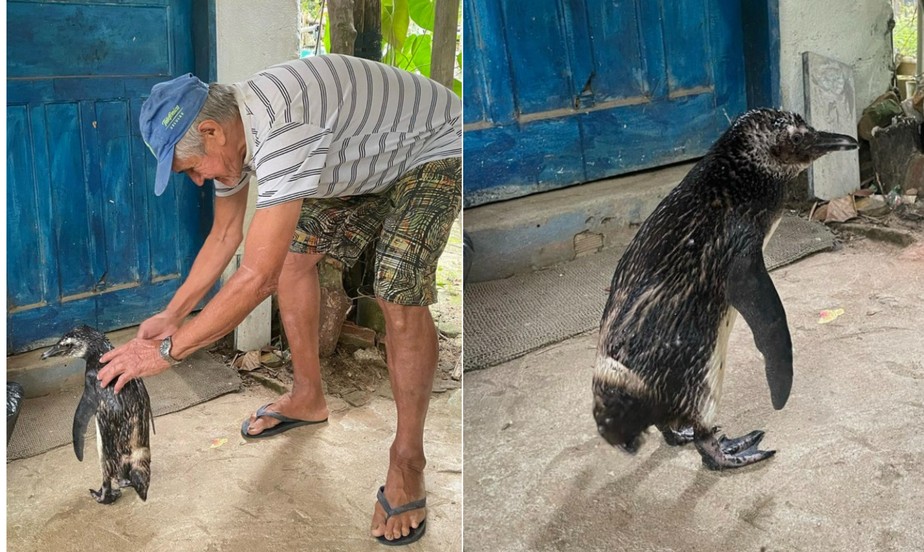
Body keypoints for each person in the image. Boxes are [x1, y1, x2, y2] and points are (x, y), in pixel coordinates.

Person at [97, 54, 461, 546]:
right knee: (293, 257)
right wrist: (171, 314)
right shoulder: (235, 137)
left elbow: (255, 275)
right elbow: (226, 235)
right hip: (365, 162)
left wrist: (168, 351)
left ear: (210, 132)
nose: (198, 180)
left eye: (191, 169)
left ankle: (408, 459)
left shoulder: (282, 125)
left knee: (397, 287)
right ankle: (308, 396)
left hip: (432, 149)